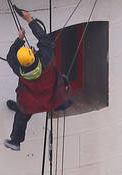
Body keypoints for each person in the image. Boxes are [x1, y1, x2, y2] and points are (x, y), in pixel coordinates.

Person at [4, 8, 72, 150]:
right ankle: (64, 104)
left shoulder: (19, 69)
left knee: (21, 117)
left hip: (30, 102)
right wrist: (29, 18)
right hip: (53, 96)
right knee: (59, 99)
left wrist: (19, 40)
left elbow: (10, 57)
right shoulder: (45, 59)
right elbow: (44, 39)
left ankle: (15, 142)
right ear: (33, 55)